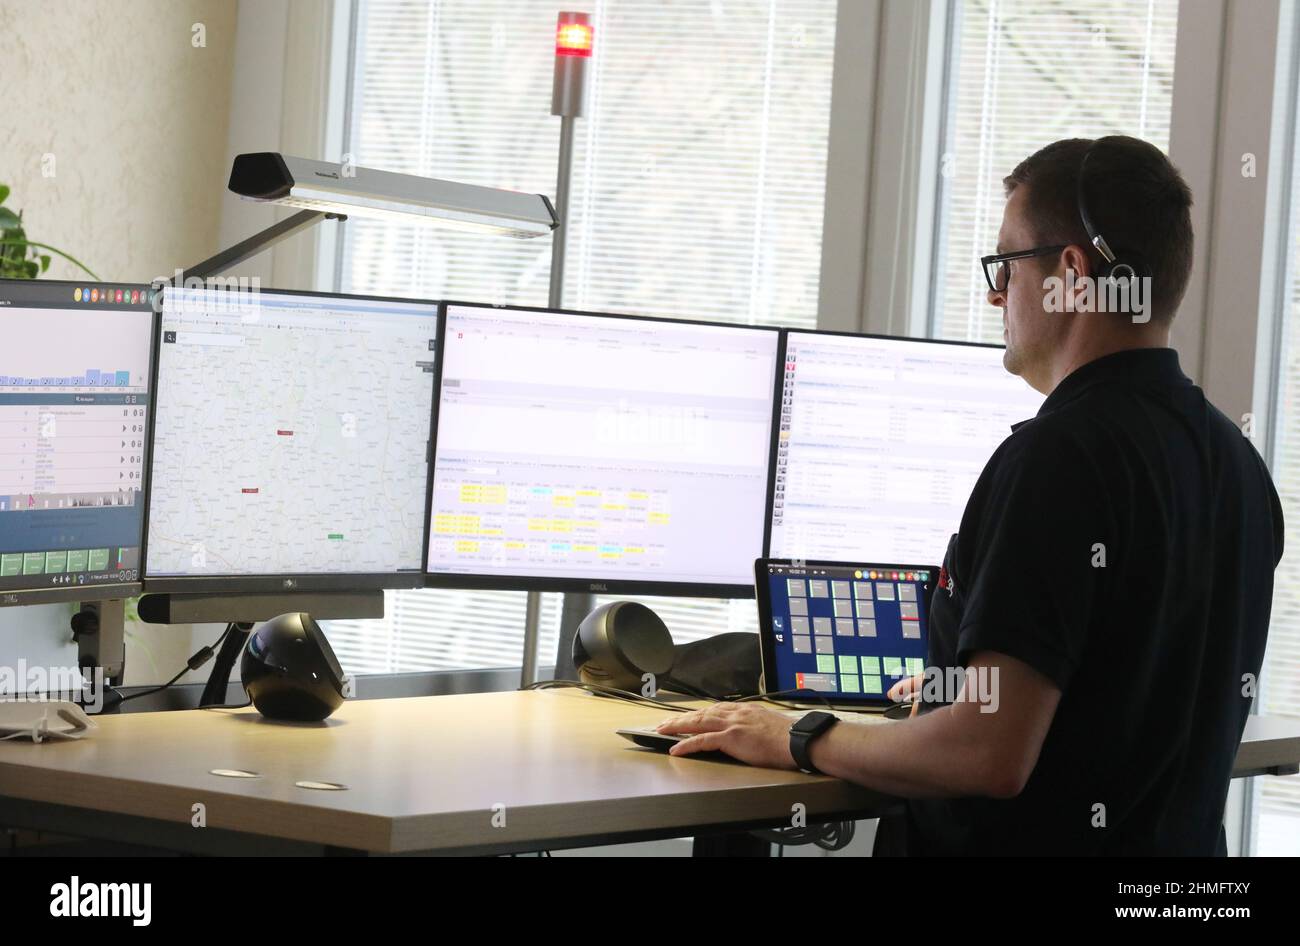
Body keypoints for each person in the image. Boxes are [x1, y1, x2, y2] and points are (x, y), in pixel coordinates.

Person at [658, 136, 1284, 855]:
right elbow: (1127, 697)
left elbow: (989, 757)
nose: (994, 293)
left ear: (1072, 277)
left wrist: (801, 734)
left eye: (1006, 266)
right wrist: (952, 697)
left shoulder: (1057, 460)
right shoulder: (1238, 466)